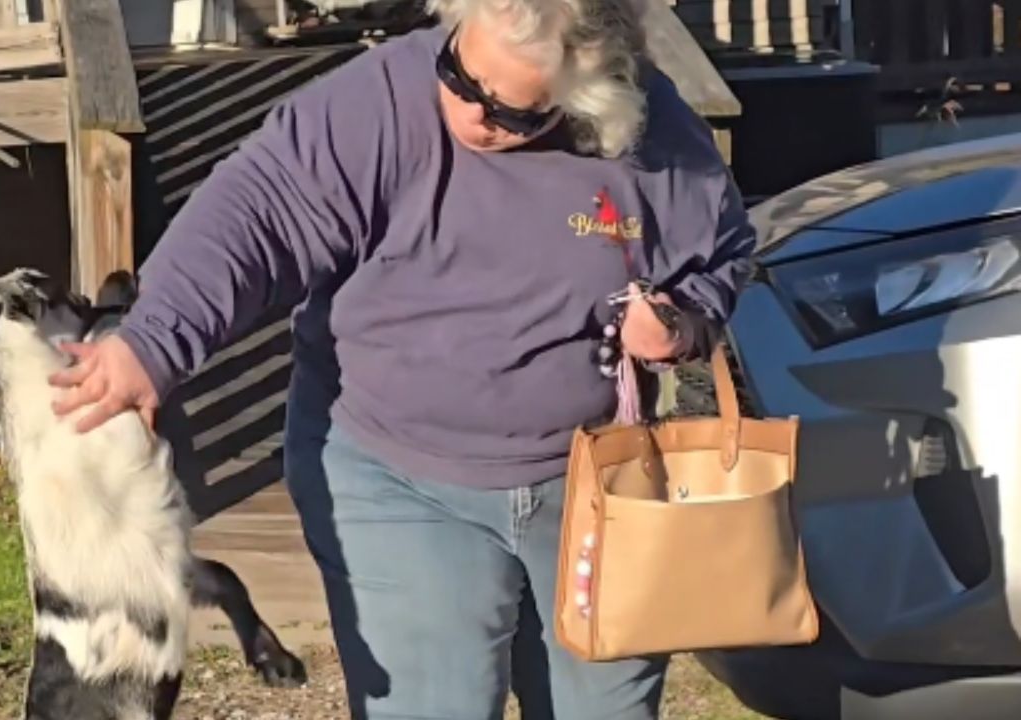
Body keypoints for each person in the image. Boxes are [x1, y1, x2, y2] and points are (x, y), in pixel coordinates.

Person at [48, 0, 756, 716]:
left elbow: (721, 250)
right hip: (401, 478)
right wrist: (152, 341)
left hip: (597, 485)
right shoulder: (378, 105)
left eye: (507, 113)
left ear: (581, 104)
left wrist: (681, 324)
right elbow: (255, 215)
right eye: (459, 72)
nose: (465, 109)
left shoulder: (650, 132)